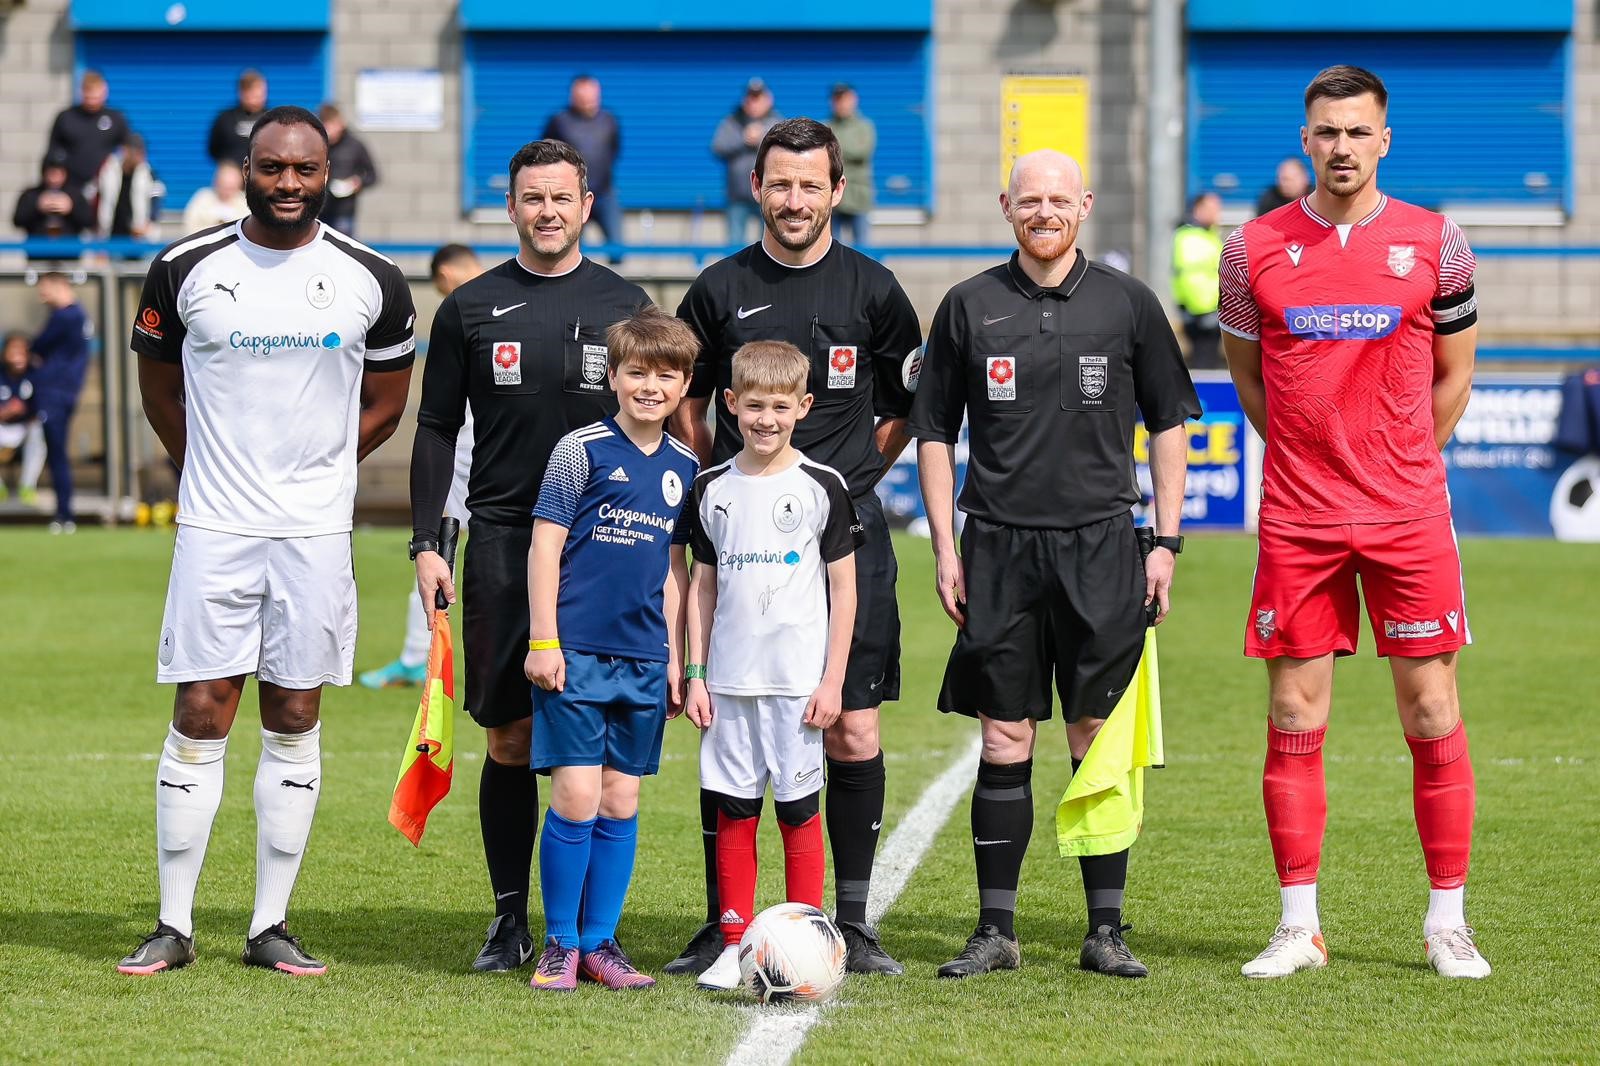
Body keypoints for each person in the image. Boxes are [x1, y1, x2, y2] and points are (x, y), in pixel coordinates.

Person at [117, 105, 417, 977]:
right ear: (246, 168)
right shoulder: (184, 268)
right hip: (216, 525)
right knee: (201, 710)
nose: (290, 184)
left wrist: (318, 467)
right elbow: (158, 387)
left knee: (295, 712)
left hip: (316, 531)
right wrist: (207, 464)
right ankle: (174, 924)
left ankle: (269, 926)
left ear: (329, 174)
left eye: (307, 170)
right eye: (273, 168)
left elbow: (388, 403)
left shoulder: (373, 277)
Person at [1219, 65, 1488, 980]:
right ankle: (1299, 926)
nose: (1341, 146)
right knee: (1294, 711)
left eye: (1357, 131)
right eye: (1326, 131)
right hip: (1300, 516)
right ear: (1306, 141)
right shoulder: (1250, 247)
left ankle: (1446, 922)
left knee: (1431, 707)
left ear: (1384, 141)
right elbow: (1251, 379)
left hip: (1408, 512)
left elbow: (1454, 374)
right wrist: (1314, 454)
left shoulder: (1437, 242)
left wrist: (1401, 460)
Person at [908, 148, 1199, 980]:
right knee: (1005, 735)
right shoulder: (968, 306)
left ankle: (1105, 931)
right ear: (1007, 206)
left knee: (1094, 735)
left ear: (1086, 204)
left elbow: (1170, 423)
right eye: (1029, 200)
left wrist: (1167, 543)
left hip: (1105, 544)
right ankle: (995, 931)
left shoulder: (1129, 304)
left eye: (1059, 199)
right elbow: (935, 432)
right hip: (997, 546)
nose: (1045, 212)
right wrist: (943, 544)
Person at [669, 117, 923, 977]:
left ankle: (847, 924)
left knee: (851, 728)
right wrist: (722, 475)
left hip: (841, 542)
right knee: (729, 734)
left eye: (811, 185)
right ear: (757, 187)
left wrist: (842, 485)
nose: (795, 200)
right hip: (742, 545)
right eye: (781, 184)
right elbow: (686, 399)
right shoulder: (717, 288)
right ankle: (723, 923)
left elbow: (904, 409)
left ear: (837, 190)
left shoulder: (877, 290)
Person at [409, 140, 652, 973]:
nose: (548, 212)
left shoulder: (626, 303)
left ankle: (589, 930)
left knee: (608, 759)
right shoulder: (470, 309)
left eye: (562, 197)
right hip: (507, 545)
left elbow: (666, 420)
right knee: (510, 738)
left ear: (587, 204)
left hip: (606, 548)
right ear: (509, 207)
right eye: (531, 199)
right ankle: (510, 920)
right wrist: (427, 542)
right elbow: (436, 428)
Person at [522, 307, 699, 992]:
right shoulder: (581, 449)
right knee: (575, 795)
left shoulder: (685, 464)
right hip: (575, 652)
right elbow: (546, 545)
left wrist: (680, 661)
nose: (650, 386)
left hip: (645, 660)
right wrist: (544, 639)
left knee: (621, 801)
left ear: (684, 385)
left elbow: (675, 572)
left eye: (665, 375)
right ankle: (560, 943)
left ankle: (601, 943)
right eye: (637, 373)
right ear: (614, 377)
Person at [683, 339, 862, 992]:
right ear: (729, 404)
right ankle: (734, 943)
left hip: (797, 685)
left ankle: (808, 938)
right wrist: (695, 674)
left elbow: (844, 589)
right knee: (734, 810)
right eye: (753, 406)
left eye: (780, 407)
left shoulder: (823, 488)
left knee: (796, 810)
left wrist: (833, 679)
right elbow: (702, 586)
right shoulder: (710, 489)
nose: (766, 419)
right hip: (728, 682)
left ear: (804, 407)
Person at [360, 244, 482, 689]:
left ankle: (418, 654)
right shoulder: (505, 299)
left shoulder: (462, 308)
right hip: (484, 448)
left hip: (465, 451)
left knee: (435, 548)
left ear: (447, 273)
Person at [30, 272, 93, 533]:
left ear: (60, 286)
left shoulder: (66, 316)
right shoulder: (79, 316)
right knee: (55, 453)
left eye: (45, 288)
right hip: (63, 393)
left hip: (54, 394)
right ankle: (64, 513)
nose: (42, 295)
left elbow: (37, 347)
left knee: (56, 454)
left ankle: (64, 514)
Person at [541, 76, 622, 248]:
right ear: (573, 95)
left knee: (617, 247)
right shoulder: (560, 121)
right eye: (582, 94)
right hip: (571, 195)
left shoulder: (609, 121)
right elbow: (545, 154)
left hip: (604, 193)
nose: (587, 99)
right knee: (571, 246)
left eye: (591, 94)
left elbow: (614, 150)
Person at [712, 79, 783, 245]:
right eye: (750, 98)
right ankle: (735, 272)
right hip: (737, 195)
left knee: (770, 243)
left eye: (758, 98)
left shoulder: (777, 122)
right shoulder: (732, 122)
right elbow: (717, 147)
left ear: (768, 100)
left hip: (768, 194)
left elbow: (785, 151)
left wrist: (761, 140)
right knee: (734, 244)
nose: (753, 103)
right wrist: (743, 140)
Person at [46, 71, 131, 193]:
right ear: (81, 92)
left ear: (104, 92)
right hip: (71, 186)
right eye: (88, 96)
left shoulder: (115, 118)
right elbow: (52, 151)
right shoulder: (66, 117)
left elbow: (128, 149)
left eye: (95, 96)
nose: (92, 101)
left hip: (105, 186)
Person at [1172, 191, 1223, 369]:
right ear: (1198, 209)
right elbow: (1191, 277)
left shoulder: (1208, 234)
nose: (1217, 213)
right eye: (1212, 209)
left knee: (1209, 360)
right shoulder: (1190, 237)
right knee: (1204, 363)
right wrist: (1206, 310)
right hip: (1202, 313)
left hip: (1210, 310)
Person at [318, 104, 379, 237]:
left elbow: (373, 175)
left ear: (340, 124)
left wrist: (357, 182)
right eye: (326, 125)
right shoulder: (318, 145)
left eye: (332, 125)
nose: (330, 130)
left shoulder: (355, 145)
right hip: (320, 209)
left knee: (342, 249)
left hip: (344, 210)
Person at [826, 84, 875, 246]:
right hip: (833, 198)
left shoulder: (864, 127)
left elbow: (862, 151)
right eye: (838, 100)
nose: (842, 104)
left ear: (854, 100)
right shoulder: (825, 127)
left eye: (845, 99)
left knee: (862, 248)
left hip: (858, 196)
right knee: (831, 247)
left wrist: (835, 148)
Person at [0, 331, 44, 503]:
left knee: (38, 431)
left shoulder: (34, 375)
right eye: (13, 351)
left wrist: (27, 411)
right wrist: (7, 411)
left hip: (23, 429)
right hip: (2, 428)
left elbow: (40, 409)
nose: (18, 357)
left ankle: (27, 486)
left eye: (22, 352)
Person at [95, 133, 163, 242]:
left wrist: (150, 222)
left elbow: (157, 195)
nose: (141, 157)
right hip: (110, 234)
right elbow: (95, 195)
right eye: (137, 153)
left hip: (136, 235)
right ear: (125, 151)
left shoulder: (147, 172)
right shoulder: (108, 170)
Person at [13, 153, 94, 241]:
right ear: (44, 173)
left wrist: (72, 207)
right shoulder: (32, 194)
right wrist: (37, 206)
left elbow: (89, 221)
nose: (55, 178)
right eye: (52, 173)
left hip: (68, 250)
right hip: (39, 250)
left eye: (59, 173)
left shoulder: (75, 195)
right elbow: (18, 220)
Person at [208, 70, 268, 166]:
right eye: (251, 91)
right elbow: (213, 150)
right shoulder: (225, 118)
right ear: (242, 92)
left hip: (264, 169)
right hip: (234, 171)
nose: (257, 95)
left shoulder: (272, 118)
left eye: (260, 90)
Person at [182, 163, 250, 235]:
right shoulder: (202, 198)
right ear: (217, 182)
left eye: (231, 188)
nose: (227, 192)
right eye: (225, 186)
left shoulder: (244, 203)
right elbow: (190, 225)